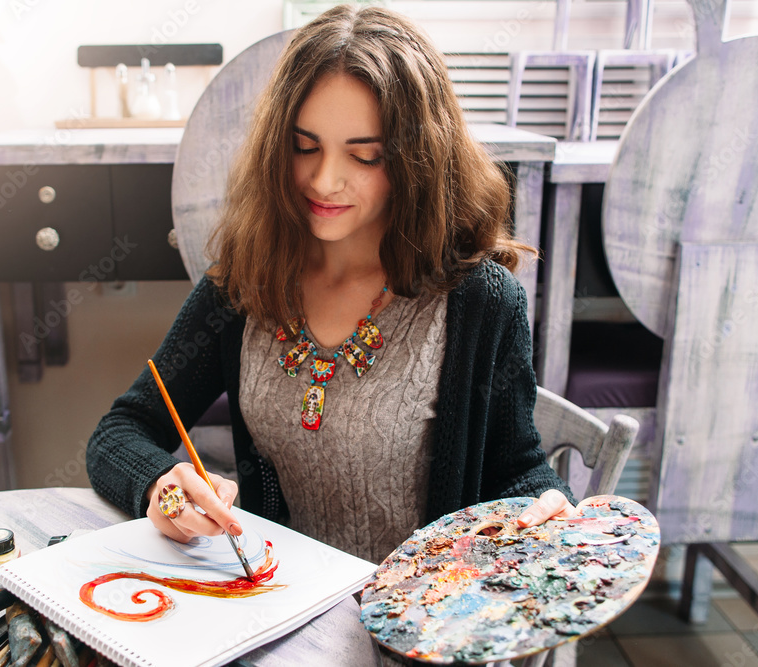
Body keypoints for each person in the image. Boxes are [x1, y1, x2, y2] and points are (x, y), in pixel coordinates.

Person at [86, 4, 575, 564]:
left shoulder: (480, 302)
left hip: (412, 626)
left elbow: (518, 469)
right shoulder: (246, 283)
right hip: (274, 610)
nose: (323, 180)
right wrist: (161, 487)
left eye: (364, 155)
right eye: (305, 146)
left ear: (417, 160)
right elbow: (119, 430)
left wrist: (548, 505)